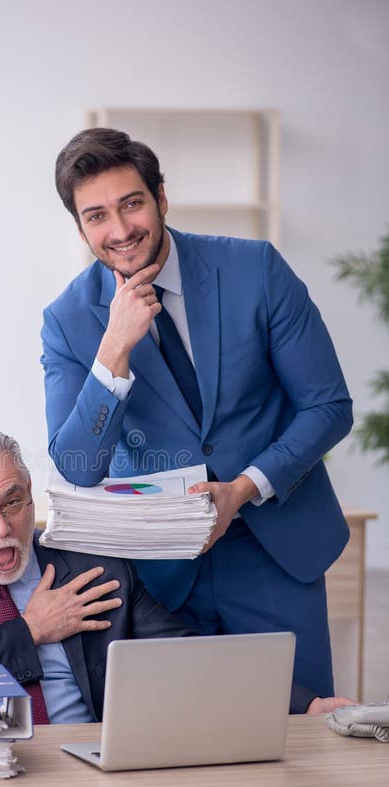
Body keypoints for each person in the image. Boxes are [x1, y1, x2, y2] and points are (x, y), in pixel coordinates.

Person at [41, 127, 354, 700]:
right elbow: (78, 467)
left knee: (300, 747)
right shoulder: (68, 320)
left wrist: (242, 488)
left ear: (161, 197)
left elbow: (328, 406)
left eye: (131, 203)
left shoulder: (255, 270)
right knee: (178, 744)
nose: (119, 230)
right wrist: (113, 352)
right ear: (80, 226)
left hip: (273, 547)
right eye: (96, 216)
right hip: (161, 574)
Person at [0, 426, 350, 721]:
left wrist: (301, 703)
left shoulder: (86, 561)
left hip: (87, 759)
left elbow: (181, 652)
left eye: (14, 502)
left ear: (31, 493)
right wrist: (31, 630)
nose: (1, 528)